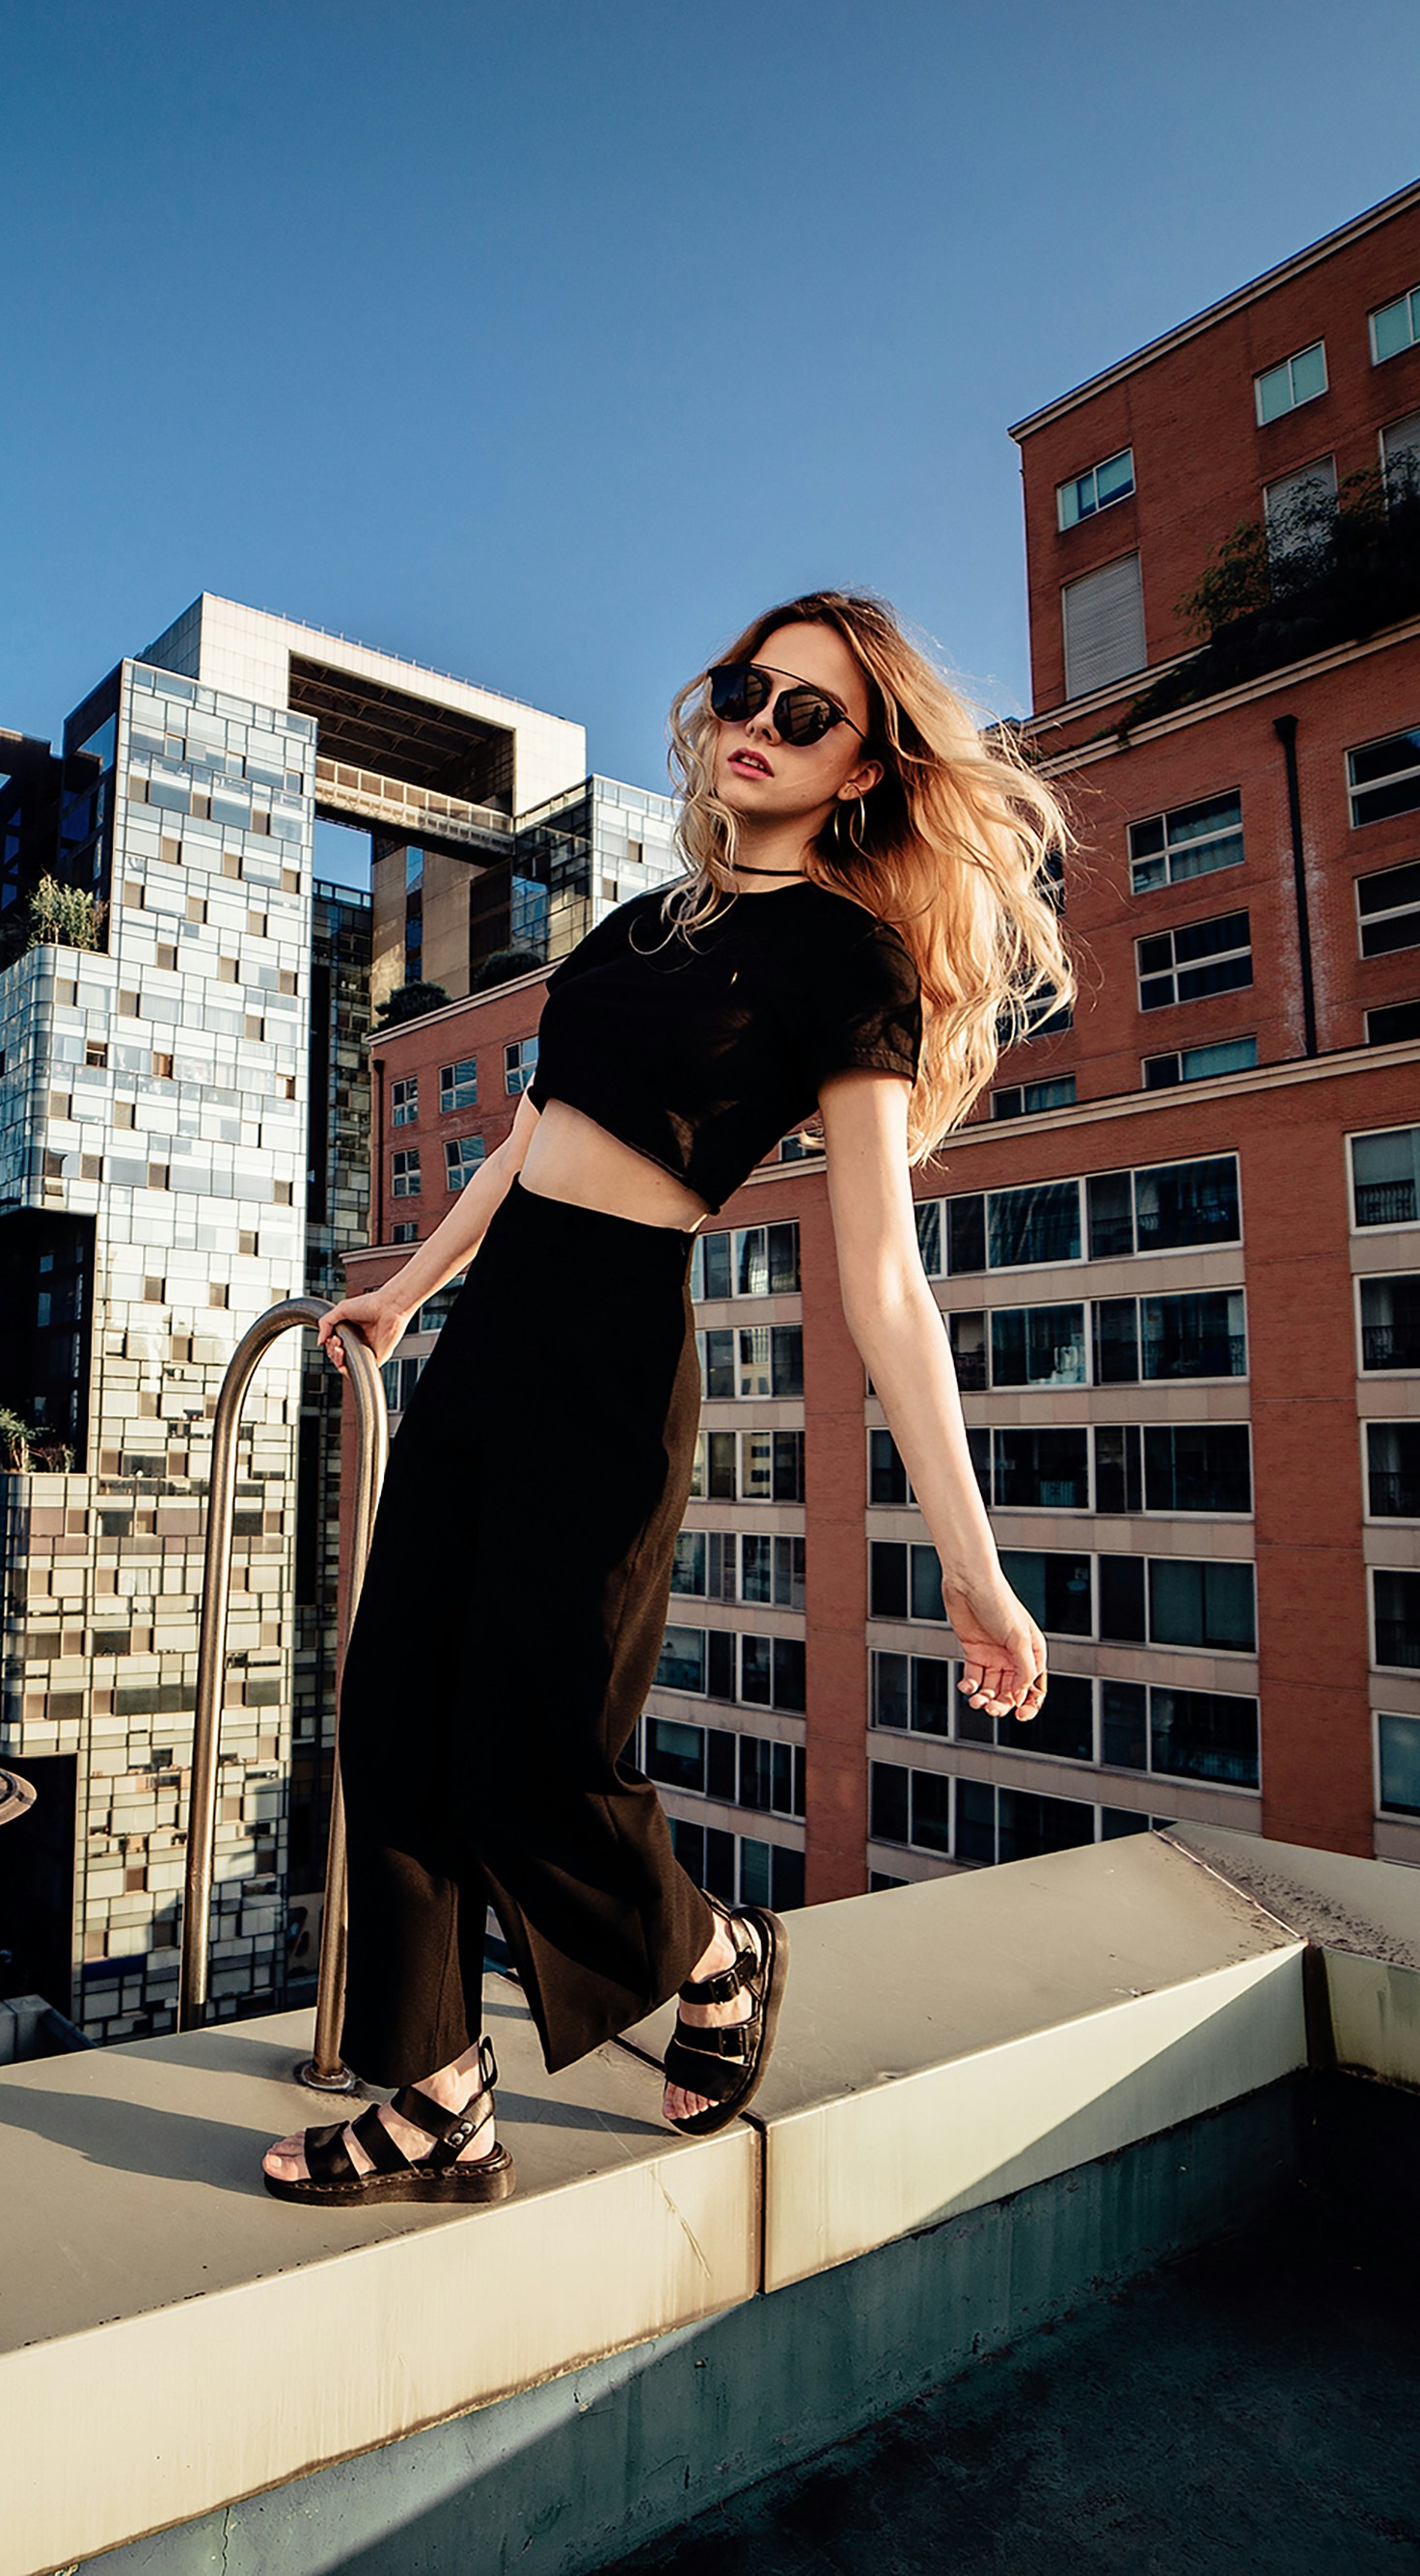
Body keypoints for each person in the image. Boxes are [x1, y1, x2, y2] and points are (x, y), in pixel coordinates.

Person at [262, 589, 1078, 2207]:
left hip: (617, 1360)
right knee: (390, 1712)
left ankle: (712, 1955)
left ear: (863, 772)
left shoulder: (847, 963)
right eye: (739, 692)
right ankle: (435, 2094)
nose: (754, 725)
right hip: (492, 1336)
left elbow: (884, 1282)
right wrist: (405, 1292)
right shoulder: (636, 927)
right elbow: (527, 1139)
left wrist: (974, 1568)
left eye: (803, 712)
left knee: (538, 1750)